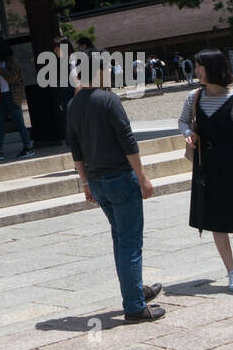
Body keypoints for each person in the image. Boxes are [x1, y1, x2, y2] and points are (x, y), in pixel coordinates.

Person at [67, 55, 164, 322]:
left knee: (121, 239)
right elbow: (128, 141)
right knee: (130, 243)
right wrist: (142, 176)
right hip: (120, 177)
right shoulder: (108, 100)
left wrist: (85, 182)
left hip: (97, 182)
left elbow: (75, 148)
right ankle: (134, 305)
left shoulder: (73, 105)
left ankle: (136, 290)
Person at [180, 48, 233, 294]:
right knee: (217, 221)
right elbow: (183, 121)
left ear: (213, 68)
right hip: (207, 169)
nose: (195, 71)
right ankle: (230, 271)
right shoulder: (193, 97)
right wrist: (188, 134)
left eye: (200, 66)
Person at [0, 37, 34, 161]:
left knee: (18, 121)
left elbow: (13, 78)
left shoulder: (11, 60)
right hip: (1, 95)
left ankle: (28, 146)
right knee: (0, 122)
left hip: (12, 94)